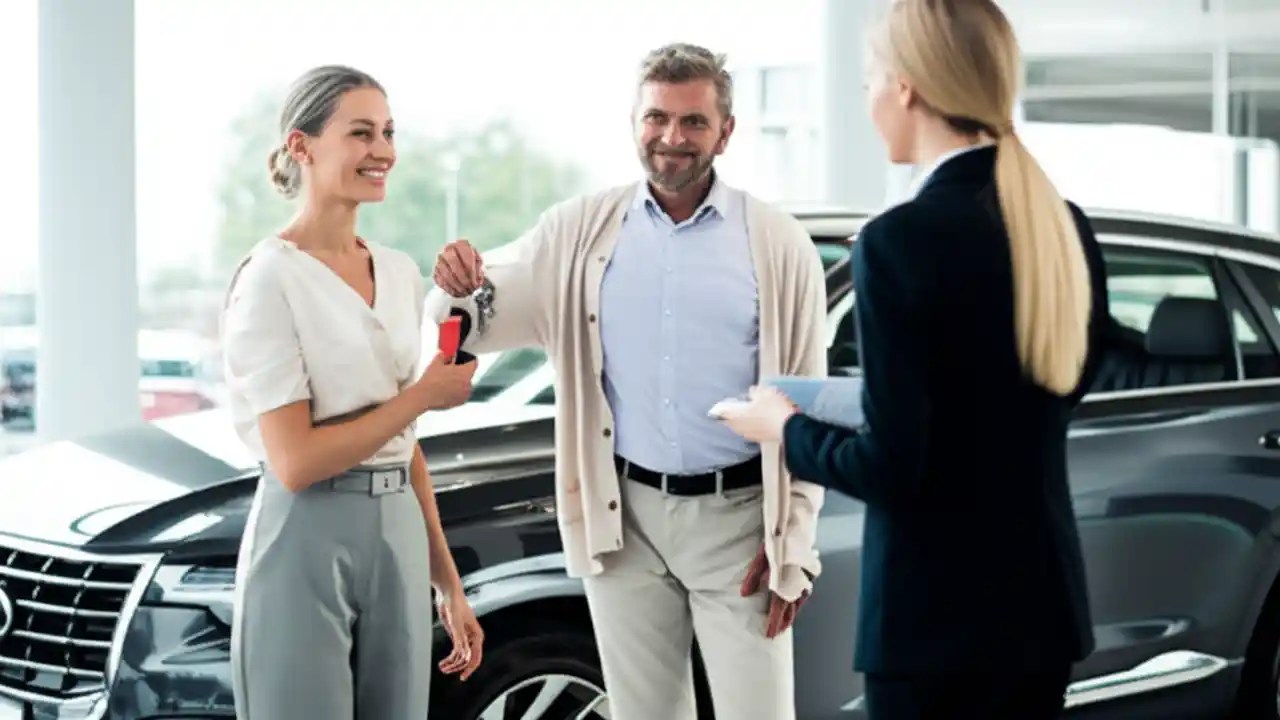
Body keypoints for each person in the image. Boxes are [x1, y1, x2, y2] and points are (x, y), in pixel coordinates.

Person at [718, 1, 1109, 717]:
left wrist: (784, 429)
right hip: (1039, 616)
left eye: (870, 78)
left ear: (906, 86)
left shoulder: (900, 241)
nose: (867, 98)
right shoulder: (1064, 226)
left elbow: (895, 468)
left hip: (934, 628)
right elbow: (1017, 404)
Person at [426, 43, 826, 720]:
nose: (672, 137)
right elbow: (473, 322)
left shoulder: (777, 242)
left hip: (739, 524)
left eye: (693, 121)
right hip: (623, 519)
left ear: (725, 131)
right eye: (656, 118)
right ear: (635, 122)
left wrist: (794, 545)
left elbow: (805, 403)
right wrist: (457, 287)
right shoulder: (577, 231)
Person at [220, 65, 485, 720]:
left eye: (389, 133)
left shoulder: (397, 273)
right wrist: (422, 395)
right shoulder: (269, 279)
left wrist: (448, 584)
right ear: (302, 146)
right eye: (361, 133)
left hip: (397, 527)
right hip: (304, 533)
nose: (384, 151)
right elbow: (295, 461)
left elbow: (403, 444)